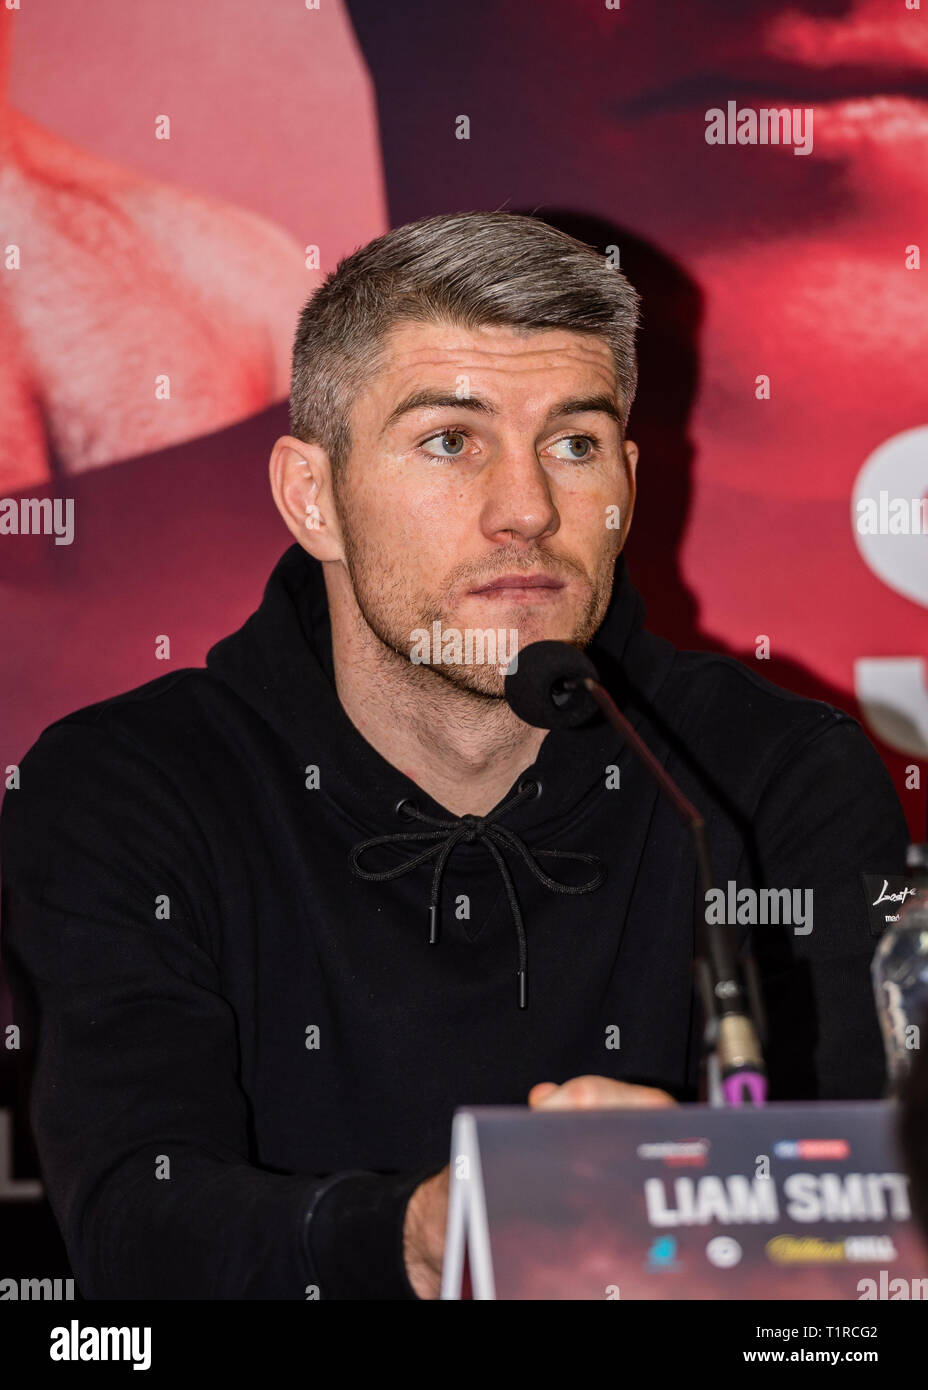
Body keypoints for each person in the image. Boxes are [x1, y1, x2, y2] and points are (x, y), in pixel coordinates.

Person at [0, 211, 909, 1301]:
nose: (526, 509)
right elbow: (138, 1225)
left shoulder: (763, 782)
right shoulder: (127, 788)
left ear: (625, 482)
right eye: (449, 440)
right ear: (313, 496)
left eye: (572, 445)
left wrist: (715, 1212)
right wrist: (433, 1234)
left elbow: (872, 1235)